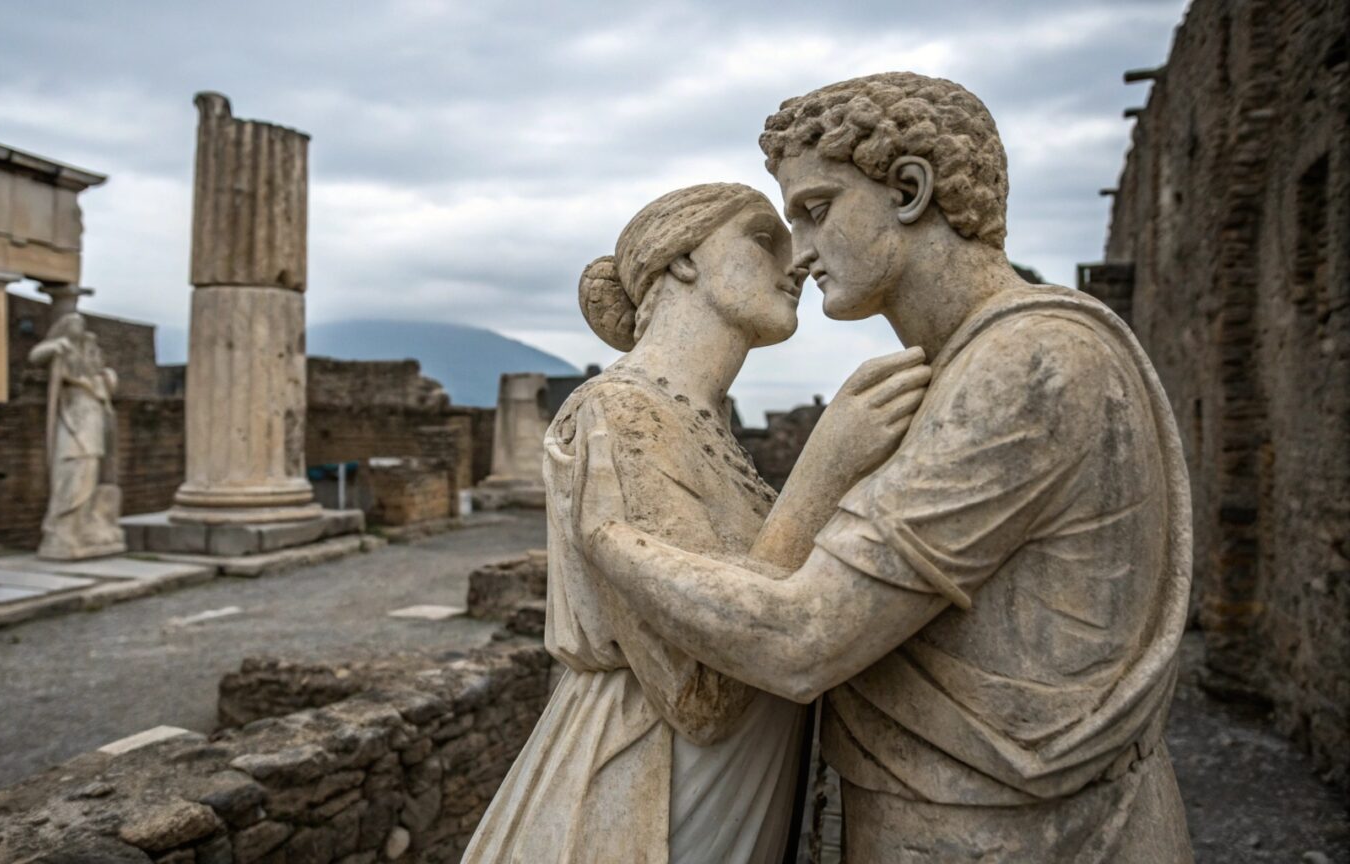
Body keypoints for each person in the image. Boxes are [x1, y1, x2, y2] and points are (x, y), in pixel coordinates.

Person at [577, 73, 1195, 861]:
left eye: (815, 210)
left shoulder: (1031, 362)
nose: (799, 253)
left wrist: (608, 541)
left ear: (909, 190)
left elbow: (803, 637)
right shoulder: (960, 368)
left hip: (1015, 833)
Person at [463, 183, 929, 864]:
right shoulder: (621, 414)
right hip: (651, 793)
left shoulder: (706, 427)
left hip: (725, 789)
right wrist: (822, 472)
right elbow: (699, 692)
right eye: (763, 238)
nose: (797, 259)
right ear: (682, 260)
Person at [29, 313, 124, 560]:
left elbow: (105, 378)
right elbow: (36, 356)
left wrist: (103, 379)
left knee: (91, 468)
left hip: (93, 415)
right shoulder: (62, 349)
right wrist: (54, 345)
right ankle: (62, 526)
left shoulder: (90, 358)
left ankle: (82, 524)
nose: (79, 328)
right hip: (73, 416)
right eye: (73, 324)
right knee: (71, 468)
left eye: (81, 324)